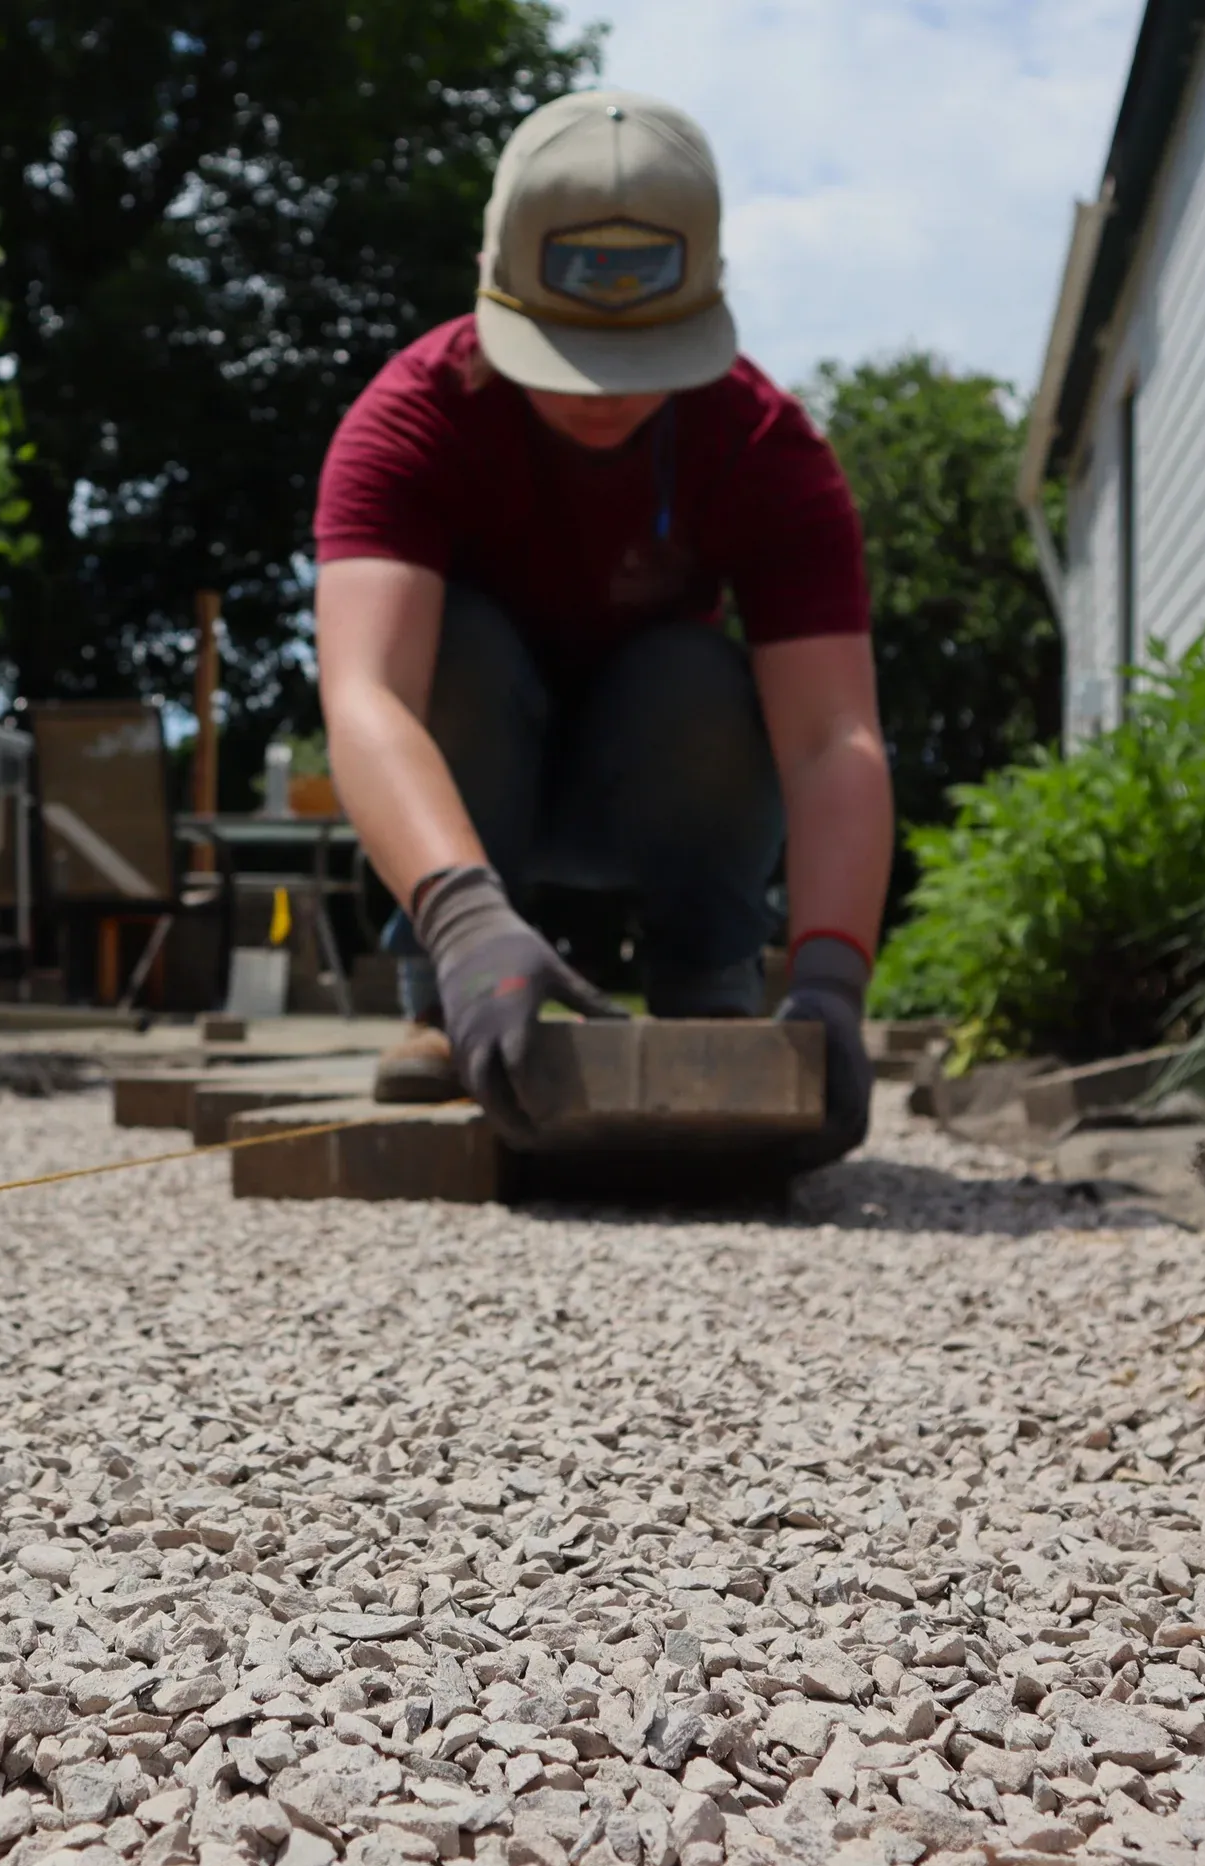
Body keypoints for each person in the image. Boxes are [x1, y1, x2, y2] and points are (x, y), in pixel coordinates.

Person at [311, 88, 893, 1164]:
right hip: (480, 798)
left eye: (634, 364)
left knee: (693, 679)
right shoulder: (410, 420)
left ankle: (710, 986)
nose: (597, 397)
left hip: (657, 784)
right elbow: (365, 696)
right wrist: (465, 921)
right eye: (563, 355)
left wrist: (828, 984)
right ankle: (449, 998)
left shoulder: (764, 450)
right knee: (459, 655)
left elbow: (828, 738)